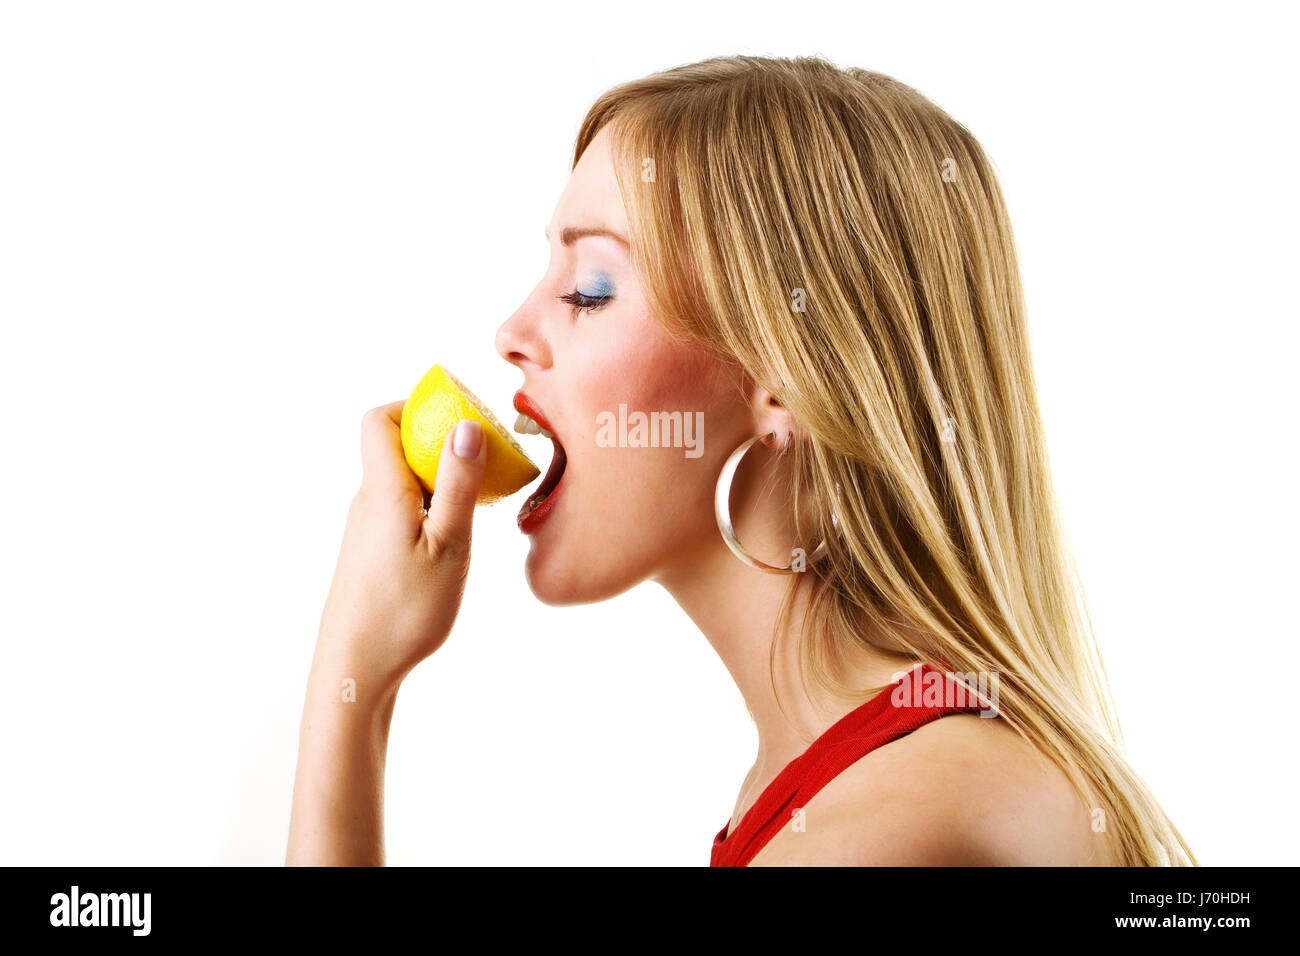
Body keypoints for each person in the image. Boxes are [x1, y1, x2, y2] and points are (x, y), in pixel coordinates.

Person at [287, 54, 1195, 866]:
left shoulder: (880, 832)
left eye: (590, 289)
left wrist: (349, 684)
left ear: (783, 383)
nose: (512, 332)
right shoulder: (841, 779)